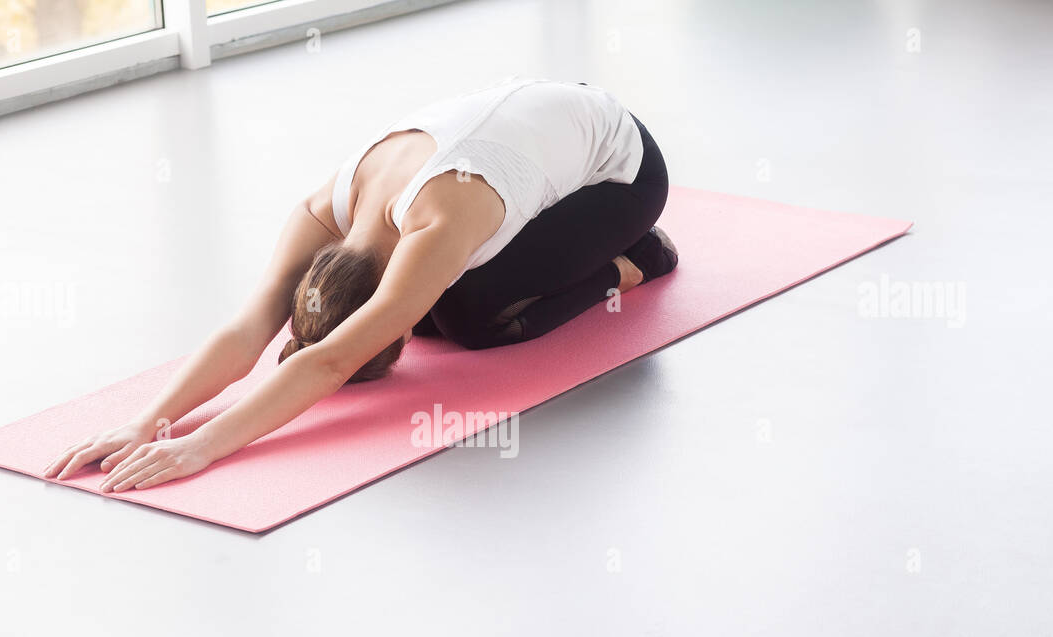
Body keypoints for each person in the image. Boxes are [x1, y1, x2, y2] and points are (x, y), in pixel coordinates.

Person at [44, 77, 677, 492]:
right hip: (538, 132)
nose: (408, 337)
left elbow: (332, 360)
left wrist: (204, 447)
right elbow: (248, 329)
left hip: (622, 171)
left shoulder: (436, 221)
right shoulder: (328, 208)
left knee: (470, 316)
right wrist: (148, 422)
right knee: (447, 296)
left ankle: (636, 259)